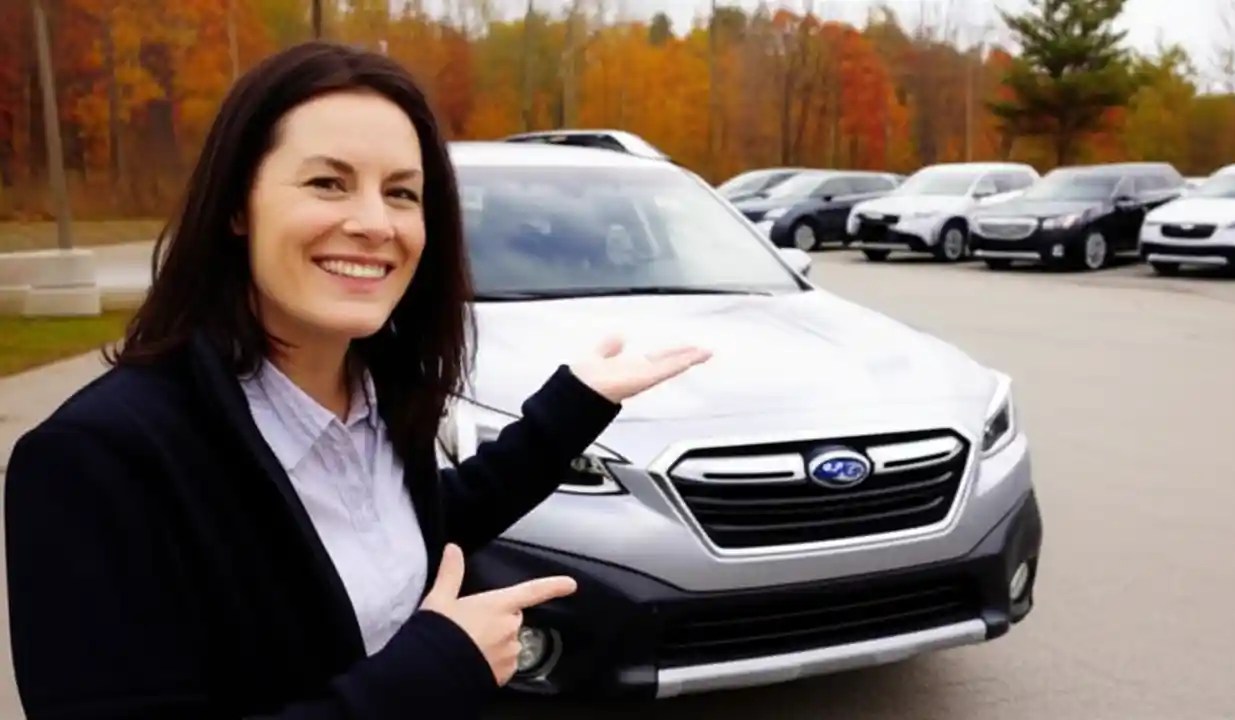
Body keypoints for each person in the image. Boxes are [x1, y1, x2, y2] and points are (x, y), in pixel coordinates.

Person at [3, 42, 710, 720]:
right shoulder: (96, 462)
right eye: (327, 183)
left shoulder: (380, 395)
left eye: (401, 193)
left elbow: (409, 531)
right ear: (237, 206)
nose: (375, 224)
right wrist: (439, 668)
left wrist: (572, 408)